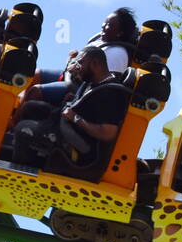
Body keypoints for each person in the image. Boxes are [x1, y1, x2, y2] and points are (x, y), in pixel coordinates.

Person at [12, 46, 128, 175]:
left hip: (79, 146)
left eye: (81, 62)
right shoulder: (94, 81)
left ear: (95, 64)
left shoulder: (110, 93)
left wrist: (76, 118)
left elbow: (108, 133)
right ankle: (35, 155)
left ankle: (22, 171)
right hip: (66, 124)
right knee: (31, 107)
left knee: (23, 128)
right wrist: (72, 101)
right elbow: (89, 106)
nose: (77, 66)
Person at [27, 8, 138, 107]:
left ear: (119, 33)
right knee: (35, 74)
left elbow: (103, 84)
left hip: (78, 89)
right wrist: (73, 59)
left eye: (109, 24)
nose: (103, 26)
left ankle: (14, 126)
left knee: (35, 91)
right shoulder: (99, 40)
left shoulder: (117, 54)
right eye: (105, 22)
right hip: (69, 77)